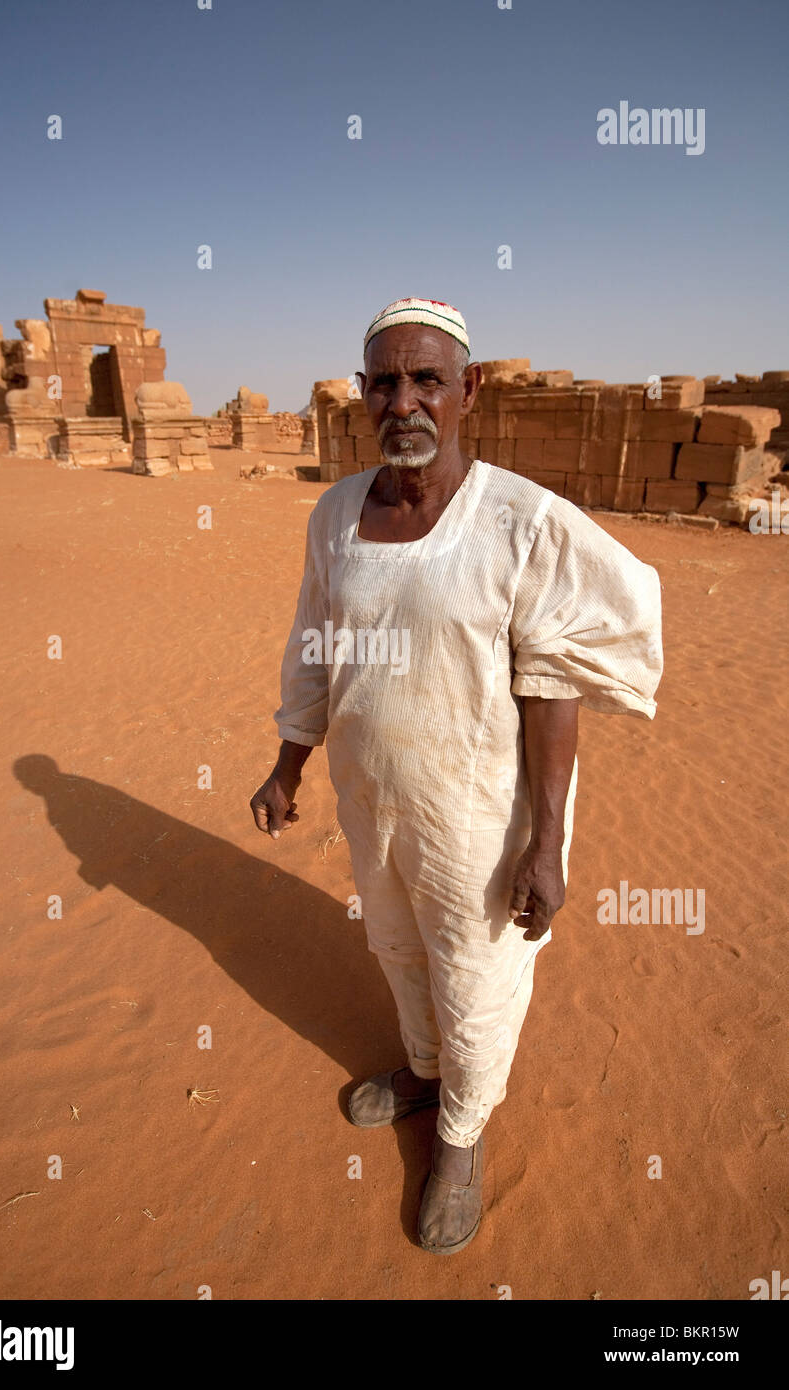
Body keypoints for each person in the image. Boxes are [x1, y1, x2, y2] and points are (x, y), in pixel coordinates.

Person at [250, 298, 663, 1255]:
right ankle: (427, 1078)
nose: (406, 401)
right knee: (398, 954)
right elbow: (315, 645)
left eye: (427, 378)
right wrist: (287, 764)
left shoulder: (518, 522)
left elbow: (554, 683)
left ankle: (462, 1139)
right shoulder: (334, 514)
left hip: (477, 822)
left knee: (474, 979)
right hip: (373, 805)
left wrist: (547, 842)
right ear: (363, 396)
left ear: (467, 389)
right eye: (385, 382)